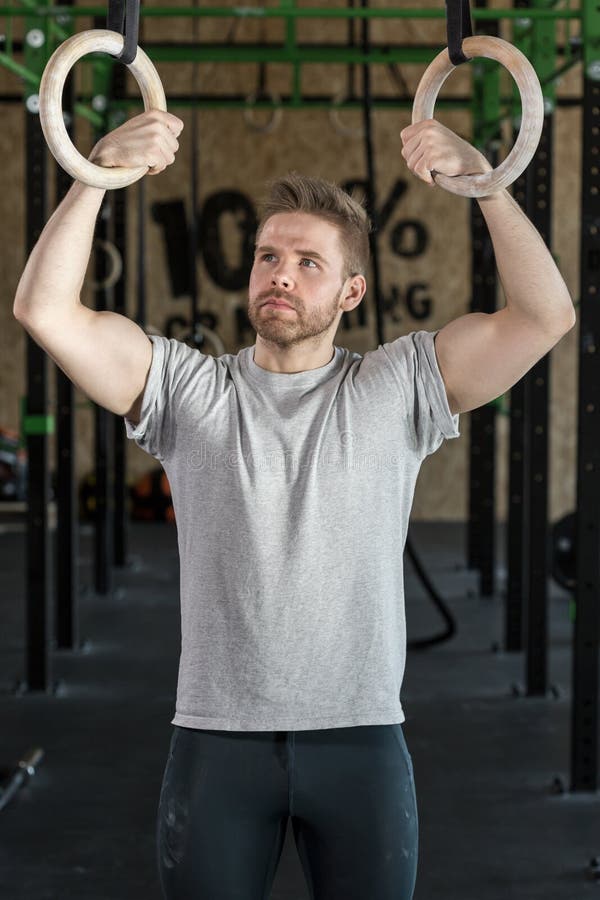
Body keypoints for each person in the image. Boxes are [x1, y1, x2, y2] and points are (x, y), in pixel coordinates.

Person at [13, 109, 575, 900]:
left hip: (362, 741)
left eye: (309, 262)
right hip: (215, 743)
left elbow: (544, 316)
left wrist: (484, 181)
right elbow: (45, 311)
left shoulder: (395, 387)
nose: (279, 273)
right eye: (268, 256)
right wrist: (94, 174)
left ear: (352, 290)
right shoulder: (188, 390)